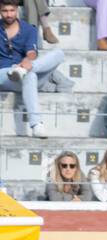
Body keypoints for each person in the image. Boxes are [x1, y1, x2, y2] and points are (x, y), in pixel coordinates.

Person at [0, 0, 65, 138]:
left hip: (23, 72)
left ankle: (23, 70)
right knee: (30, 75)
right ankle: (37, 124)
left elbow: (32, 52)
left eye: (11, 11)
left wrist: (27, 62)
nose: (8, 14)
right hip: (4, 74)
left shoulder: (29, 29)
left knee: (58, 54)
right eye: (5, 11)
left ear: (17, 9)